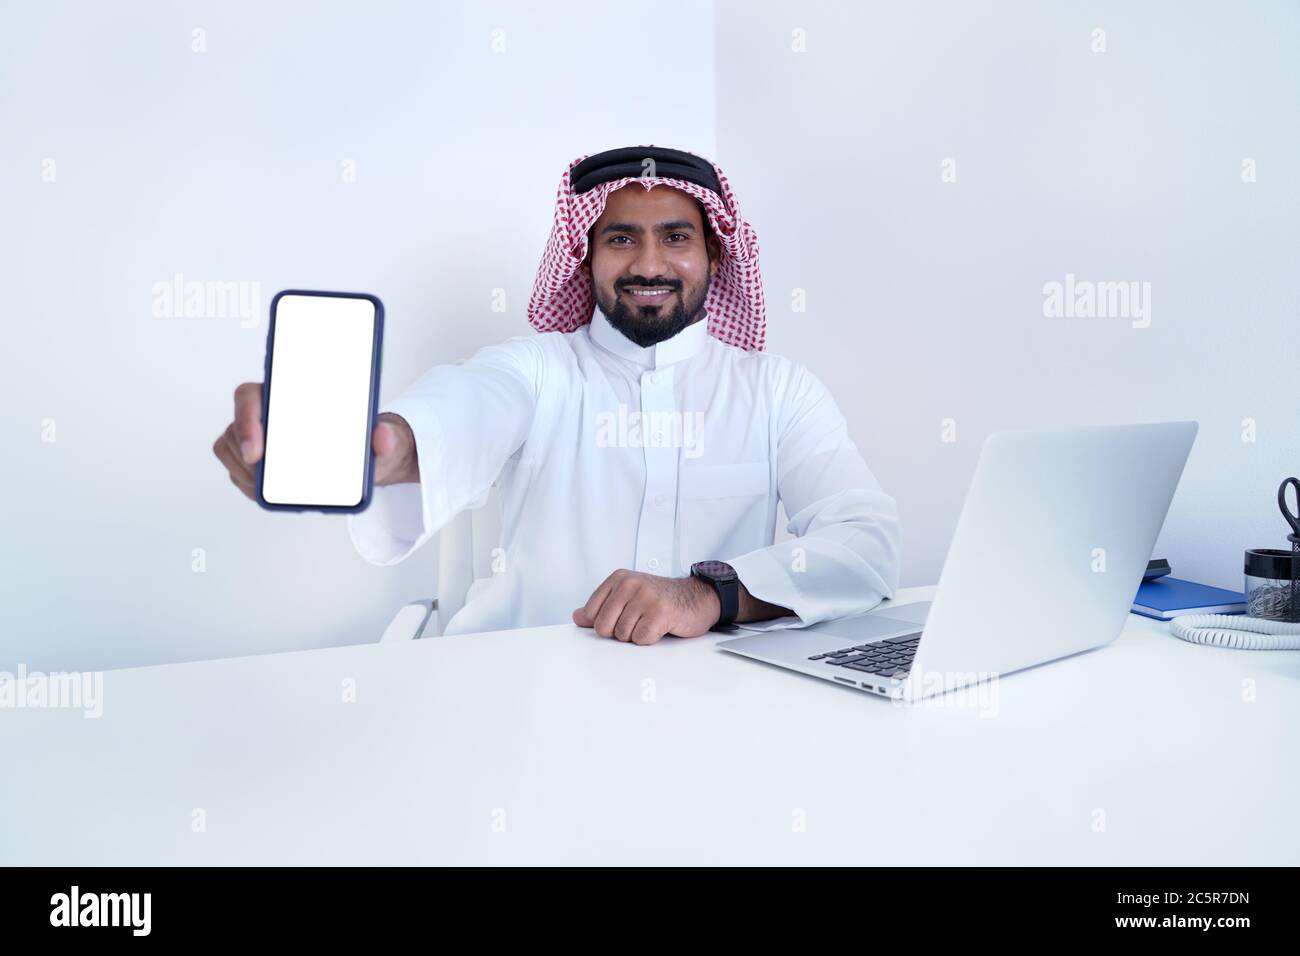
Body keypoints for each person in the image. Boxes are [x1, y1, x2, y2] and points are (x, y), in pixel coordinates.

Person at [213, 146, 900, 645]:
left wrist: (710, 595)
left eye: (677, 238)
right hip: (514, 706)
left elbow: (866, 544)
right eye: (622, 238)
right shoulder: (538, 371)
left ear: (715, 256)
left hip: (712, 713)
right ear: (587, 253)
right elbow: (466, 409)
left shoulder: (777, 391)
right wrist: (384, 448)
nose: (650, 264)